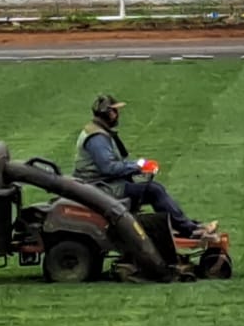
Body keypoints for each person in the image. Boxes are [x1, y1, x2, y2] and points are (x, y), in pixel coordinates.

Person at [74, 93, 215, 239]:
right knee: (154, 190)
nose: (118, 114)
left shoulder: (98, 131)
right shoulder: (97, 138)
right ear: (109, 113)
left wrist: (139, 164)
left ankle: (188, 225)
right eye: (115, 111)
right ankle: (189, 230)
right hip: (100, 187)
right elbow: (109, 168)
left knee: (152, 189)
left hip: (100, 184)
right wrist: (139, 165)